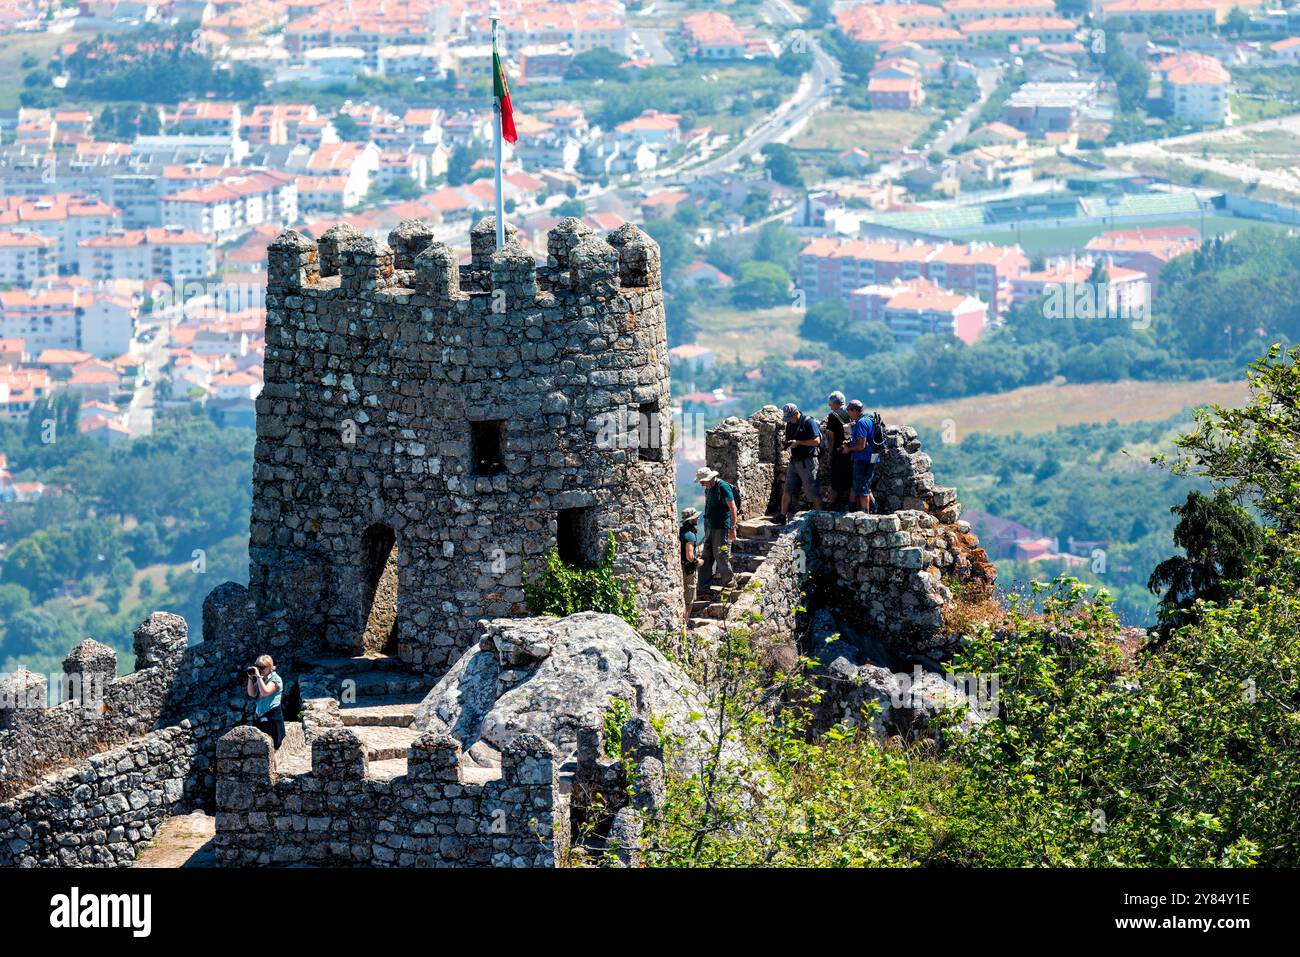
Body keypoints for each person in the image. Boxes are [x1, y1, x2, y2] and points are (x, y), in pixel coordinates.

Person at [776, 402, 822, 524]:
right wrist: (787, 444)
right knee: (788, 489)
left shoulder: (808, 422)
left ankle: (820, 518)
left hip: (808, 461)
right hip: (794, 461)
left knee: (812, 491)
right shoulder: (789, 424)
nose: (789, 420)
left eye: (790, 417)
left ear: (796, 413)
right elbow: (790, 440)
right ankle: (782, 516)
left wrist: (799, 442)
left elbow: (816, 441)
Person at [696, 467, 737, 591]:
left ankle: (730, 583)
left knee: (720, 555)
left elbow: (733, 508)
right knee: (706, 556)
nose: (701, 484)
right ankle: (703, 587)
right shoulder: (709, 488)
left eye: (703, 482)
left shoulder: (723, 487)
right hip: (710, 527)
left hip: (721, 528)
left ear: (710, 478)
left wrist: (732, 528)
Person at [246, 655, 285, 771]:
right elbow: (252, 694)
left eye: (262, 667)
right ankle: (273, 773)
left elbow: (265, 692)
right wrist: (250, 678)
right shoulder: (262, 679)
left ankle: (274, 773)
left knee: (272, 748)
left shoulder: (275, 680)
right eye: (258, 667)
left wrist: (258, 677)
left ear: (270, 667)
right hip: (261, 716)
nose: (260, 669)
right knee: (266, 748)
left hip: (272, 716)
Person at [843, 399, 878, 514]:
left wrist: (848, 449)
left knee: (862, 487)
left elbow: (861, 446)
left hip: (863, 457)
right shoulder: (870, 418)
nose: (848, 413)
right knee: (866, 485)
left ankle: (865, 514)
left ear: (854, 411)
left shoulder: (861, 422)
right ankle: (875, 510)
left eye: (849, 410)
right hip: (874, 455)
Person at [824, 391, 852, 509]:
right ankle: (853, 506)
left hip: (839, 452)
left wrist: (830, 454)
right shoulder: (851, 412)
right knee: (852, 481)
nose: (830, 408)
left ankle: (830, 506)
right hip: (852, 451)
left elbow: (831, 438)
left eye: (831, 405)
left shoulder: (833, 416)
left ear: (835, 404)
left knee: (835, 481)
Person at [679, 507, 704, 621]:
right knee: (689, 599)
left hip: (681, 567)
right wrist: (698, 561)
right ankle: (685, 623)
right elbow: (690, 556)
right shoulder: (690, 535)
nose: (698, 518)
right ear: (690, 520)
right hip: (688, 570)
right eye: (695, 517)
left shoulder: (681, 531)